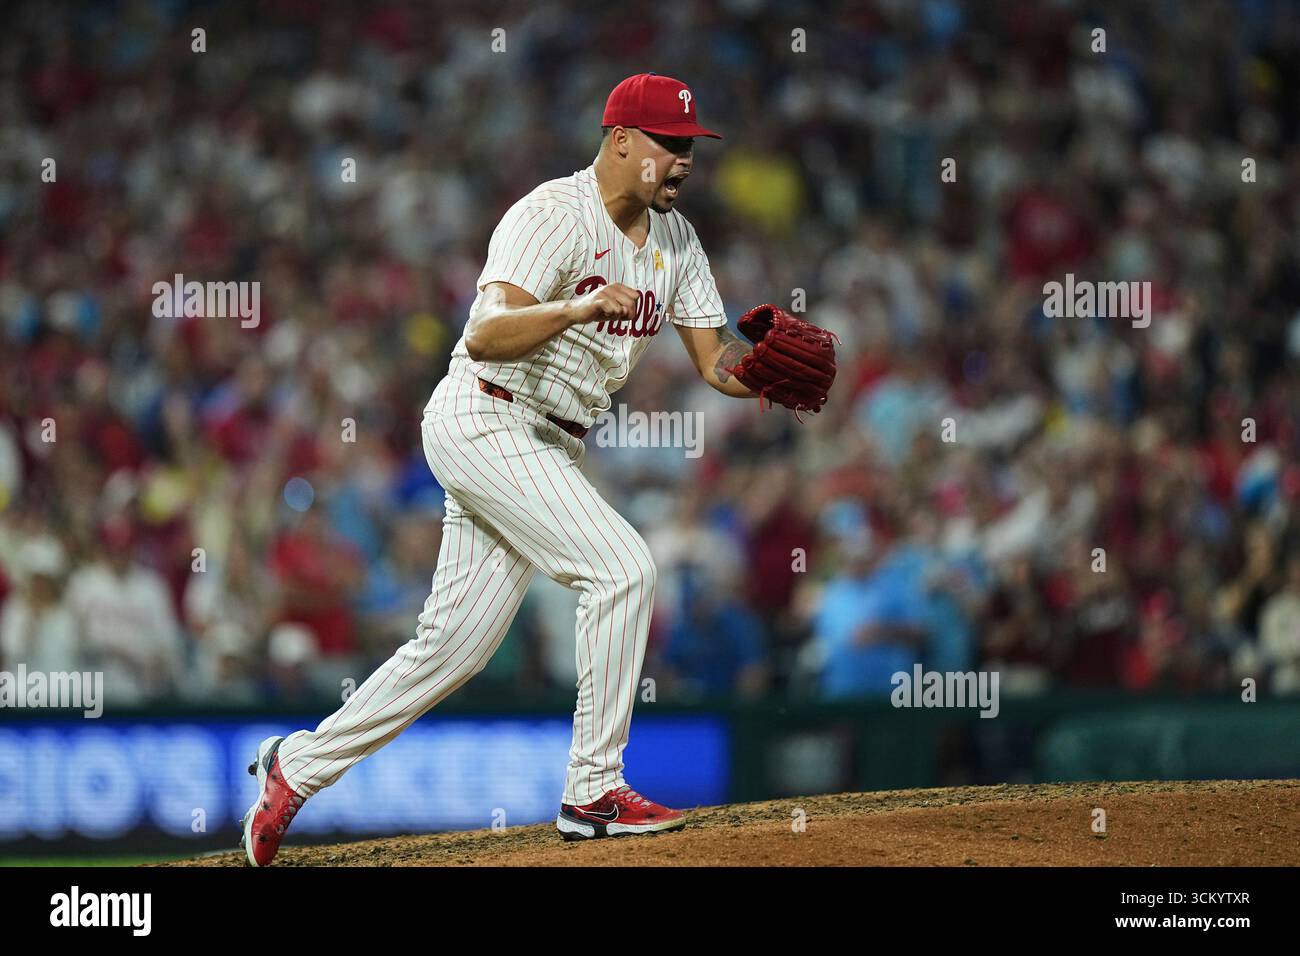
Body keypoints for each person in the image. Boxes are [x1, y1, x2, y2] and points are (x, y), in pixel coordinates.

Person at [242, 73, 762, 864]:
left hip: (548, 440)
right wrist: (576, 308)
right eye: (670, 144)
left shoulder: (679, 242)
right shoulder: (553, 215)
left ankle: (295, 767)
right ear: (621, 141)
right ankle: (594, 791)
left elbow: (713, 358)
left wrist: (762, 373)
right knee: (623, 568)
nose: (685, 161)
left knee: (454, 647)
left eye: (691, 146)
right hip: (483, 411)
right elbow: (484, 336)